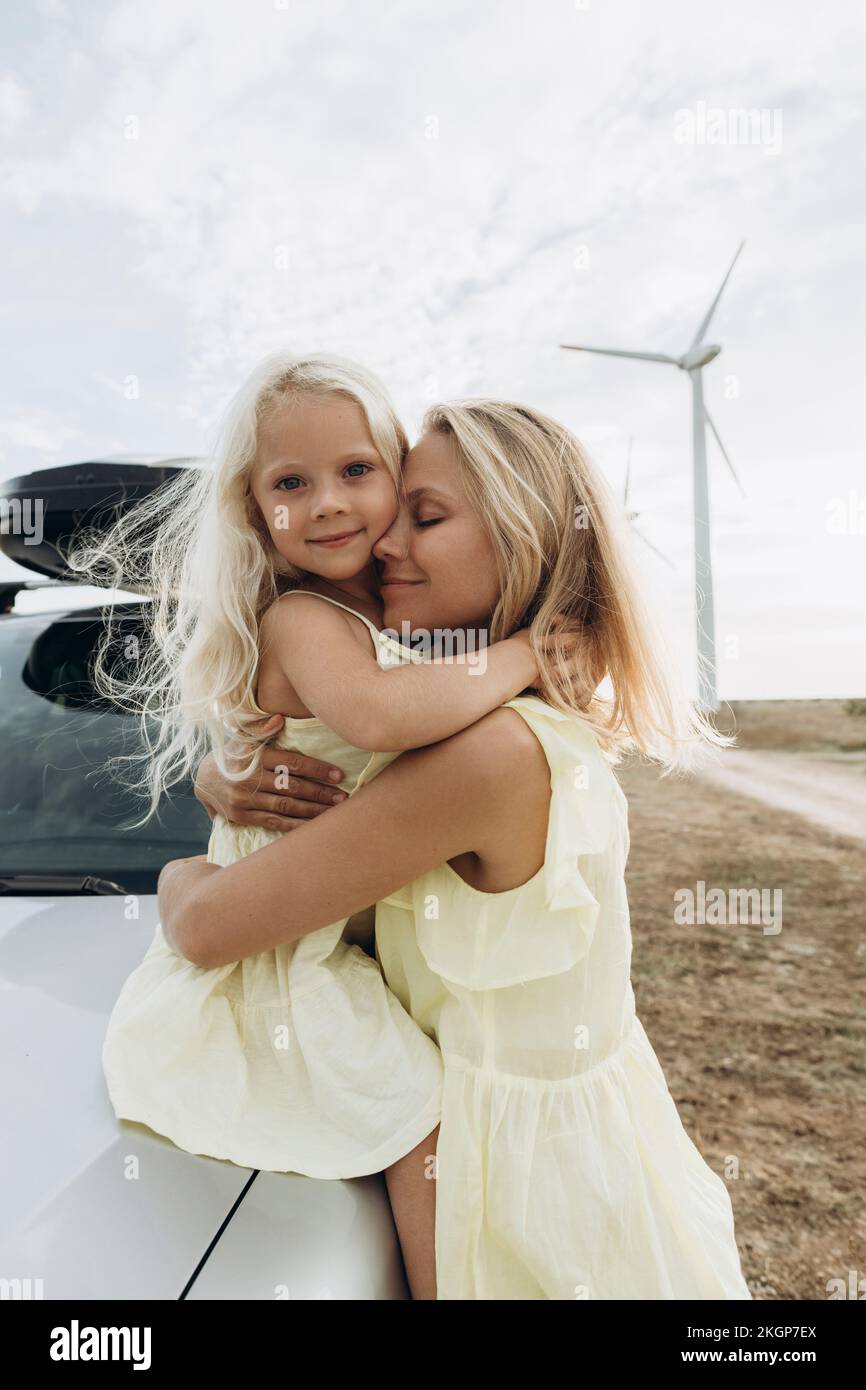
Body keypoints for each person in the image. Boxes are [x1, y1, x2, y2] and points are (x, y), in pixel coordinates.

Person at [167, 398, 753, 1301]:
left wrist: (179, 870)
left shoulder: (484, 758)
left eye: (425, 517)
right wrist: (223, 771)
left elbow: (209, 927)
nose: (384, 544)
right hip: (583, 1144)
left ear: (519, 536)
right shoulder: (511, 725)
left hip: (514, 1192)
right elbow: (351, 795)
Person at [69, 354, 545, 1301]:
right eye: (291, 483)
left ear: (399, 477)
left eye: (357, 471)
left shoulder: (396, 615)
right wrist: (528, 655)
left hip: (301, 912)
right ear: (253, 509)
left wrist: (219, 772)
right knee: (417, 1115)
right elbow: (374, 717)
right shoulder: (301, 615)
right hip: (278, 947)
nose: (328, 503)